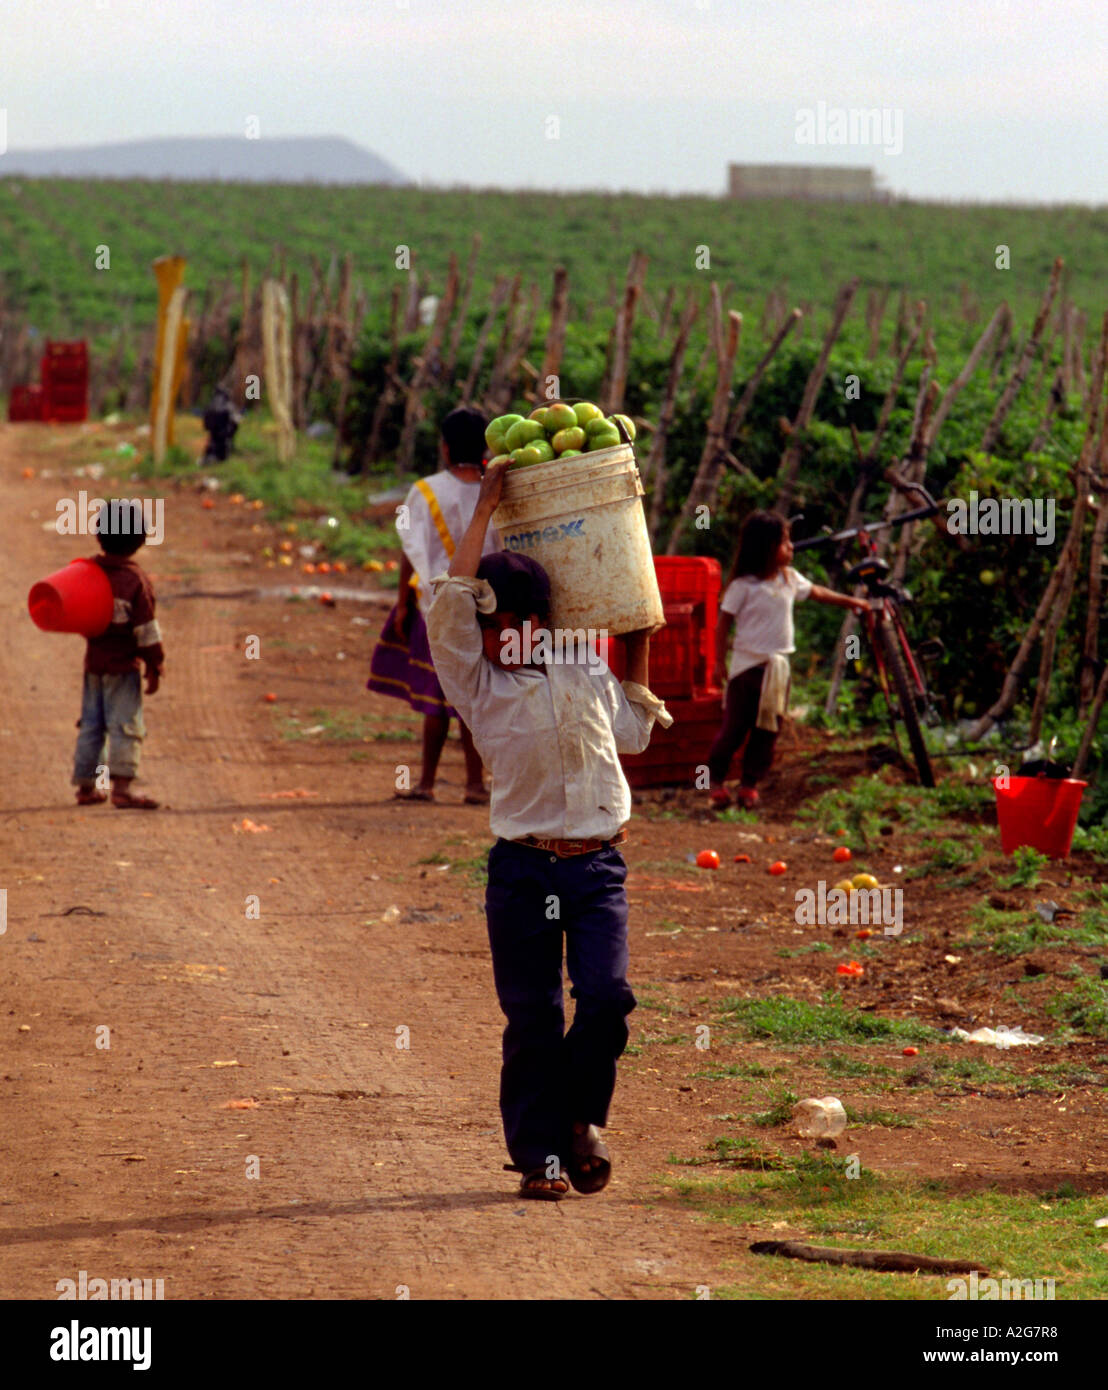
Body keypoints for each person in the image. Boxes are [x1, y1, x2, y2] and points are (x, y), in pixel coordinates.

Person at [425, 458, 672, 1200]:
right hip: (523, 870)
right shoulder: (477, 683)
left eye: (506, 626)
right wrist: (485, 508)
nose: (495, 637)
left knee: (607, 1000)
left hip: (596, 867)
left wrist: (639, 636)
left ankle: (581, 1120)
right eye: (488, 628)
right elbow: (450, 603)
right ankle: (542, 1158)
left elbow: (633, 737)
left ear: (539, 624)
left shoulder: (581, 664)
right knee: (533, 1015)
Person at [367, 406, 497, 803]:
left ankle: (426, 782)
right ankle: (475, 784)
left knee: (436, 699)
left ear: (444, 448)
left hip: (437, 605)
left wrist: (403, 600)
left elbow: (411, 547)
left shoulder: (424, 491)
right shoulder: (497, 492)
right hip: (486, 606)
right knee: (474, 697)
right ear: (486, 449)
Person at [708, 509, 868, 810]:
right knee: (734, 729)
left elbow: (818, 592)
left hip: (778, 670)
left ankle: (748, 785)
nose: (792, 548)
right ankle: (715, 781)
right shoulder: (743, 586)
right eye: (785, 542)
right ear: (766, 547)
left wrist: (852, 602)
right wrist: (719, 663)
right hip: (746, 670)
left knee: (767, 730)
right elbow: (723, 623)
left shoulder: (789, 579)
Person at [72, 500, 164, 809]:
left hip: (93, 665)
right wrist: (155, 661)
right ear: (140, 540)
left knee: (91, 725)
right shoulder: (135, 581)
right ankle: (122, 788)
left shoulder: (88, 572)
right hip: (123, 667)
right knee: (125, 725)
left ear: (99, 536)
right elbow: (146, 629)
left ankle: (87, 786)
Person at [201, 386, 241, 465]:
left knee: (214, 441)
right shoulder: (227, 405)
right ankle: (219, 457)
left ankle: (212, 457)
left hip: (214, 431)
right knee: (222, 443)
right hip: (224, 432)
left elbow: (206, 418)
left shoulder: (212, 403)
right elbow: (235, 420)